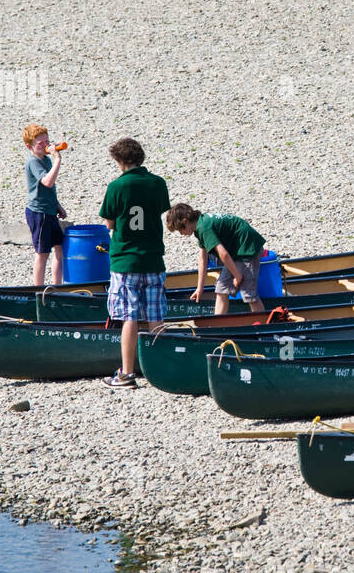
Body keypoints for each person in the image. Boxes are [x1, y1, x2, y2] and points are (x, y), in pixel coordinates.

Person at [98, 138, 171, 388]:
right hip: (153, 258)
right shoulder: (157, 183)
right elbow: (160, 211)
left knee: (129, 317)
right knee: (155, 316)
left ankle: (127, 373)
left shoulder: (116, 186)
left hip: (126, 260)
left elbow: (109, 223)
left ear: (120, 161)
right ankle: (162, 369)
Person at [166, 204, 267, 315]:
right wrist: (200, 288)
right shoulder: (199, 227)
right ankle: (219, 323)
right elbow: (203, 259)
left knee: (248, 293)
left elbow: (223, 254)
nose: (181, 234)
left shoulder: (204, 228)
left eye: (180, 230)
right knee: (221, 289)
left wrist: (237, 276)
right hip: (236, 251)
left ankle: (262, 326)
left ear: (185, 221)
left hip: (247, 248)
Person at [21, 124, 68, 285]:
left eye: (47, 141)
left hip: (49, 210)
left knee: (59, 248)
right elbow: (47, 182)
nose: (46, 145)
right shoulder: (33, 161)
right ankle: (38, 288)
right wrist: (58, 159)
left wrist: (57, 206)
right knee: (42, 252)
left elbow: (50, 189)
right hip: (37, 212)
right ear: (29, 146)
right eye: (41, 143)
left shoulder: (46, 159)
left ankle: (57, 285)